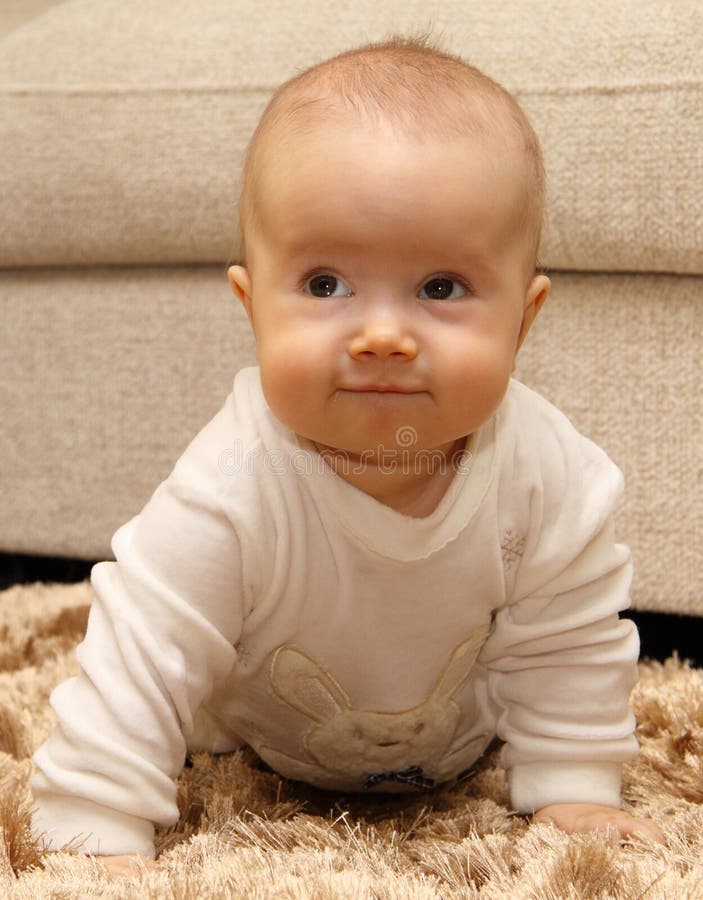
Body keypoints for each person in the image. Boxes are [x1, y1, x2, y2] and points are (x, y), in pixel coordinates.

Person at [30, 37, 664, 876]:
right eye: (325, 285)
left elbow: (565, 640)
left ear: (524, 316)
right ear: (251, 308)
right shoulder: (235, 483)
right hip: (266, 739)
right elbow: (150, 642)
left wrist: (575, 783)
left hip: (460, 744)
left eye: (440, 288)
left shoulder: (550, 476)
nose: (381, 336)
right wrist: (94, 821)